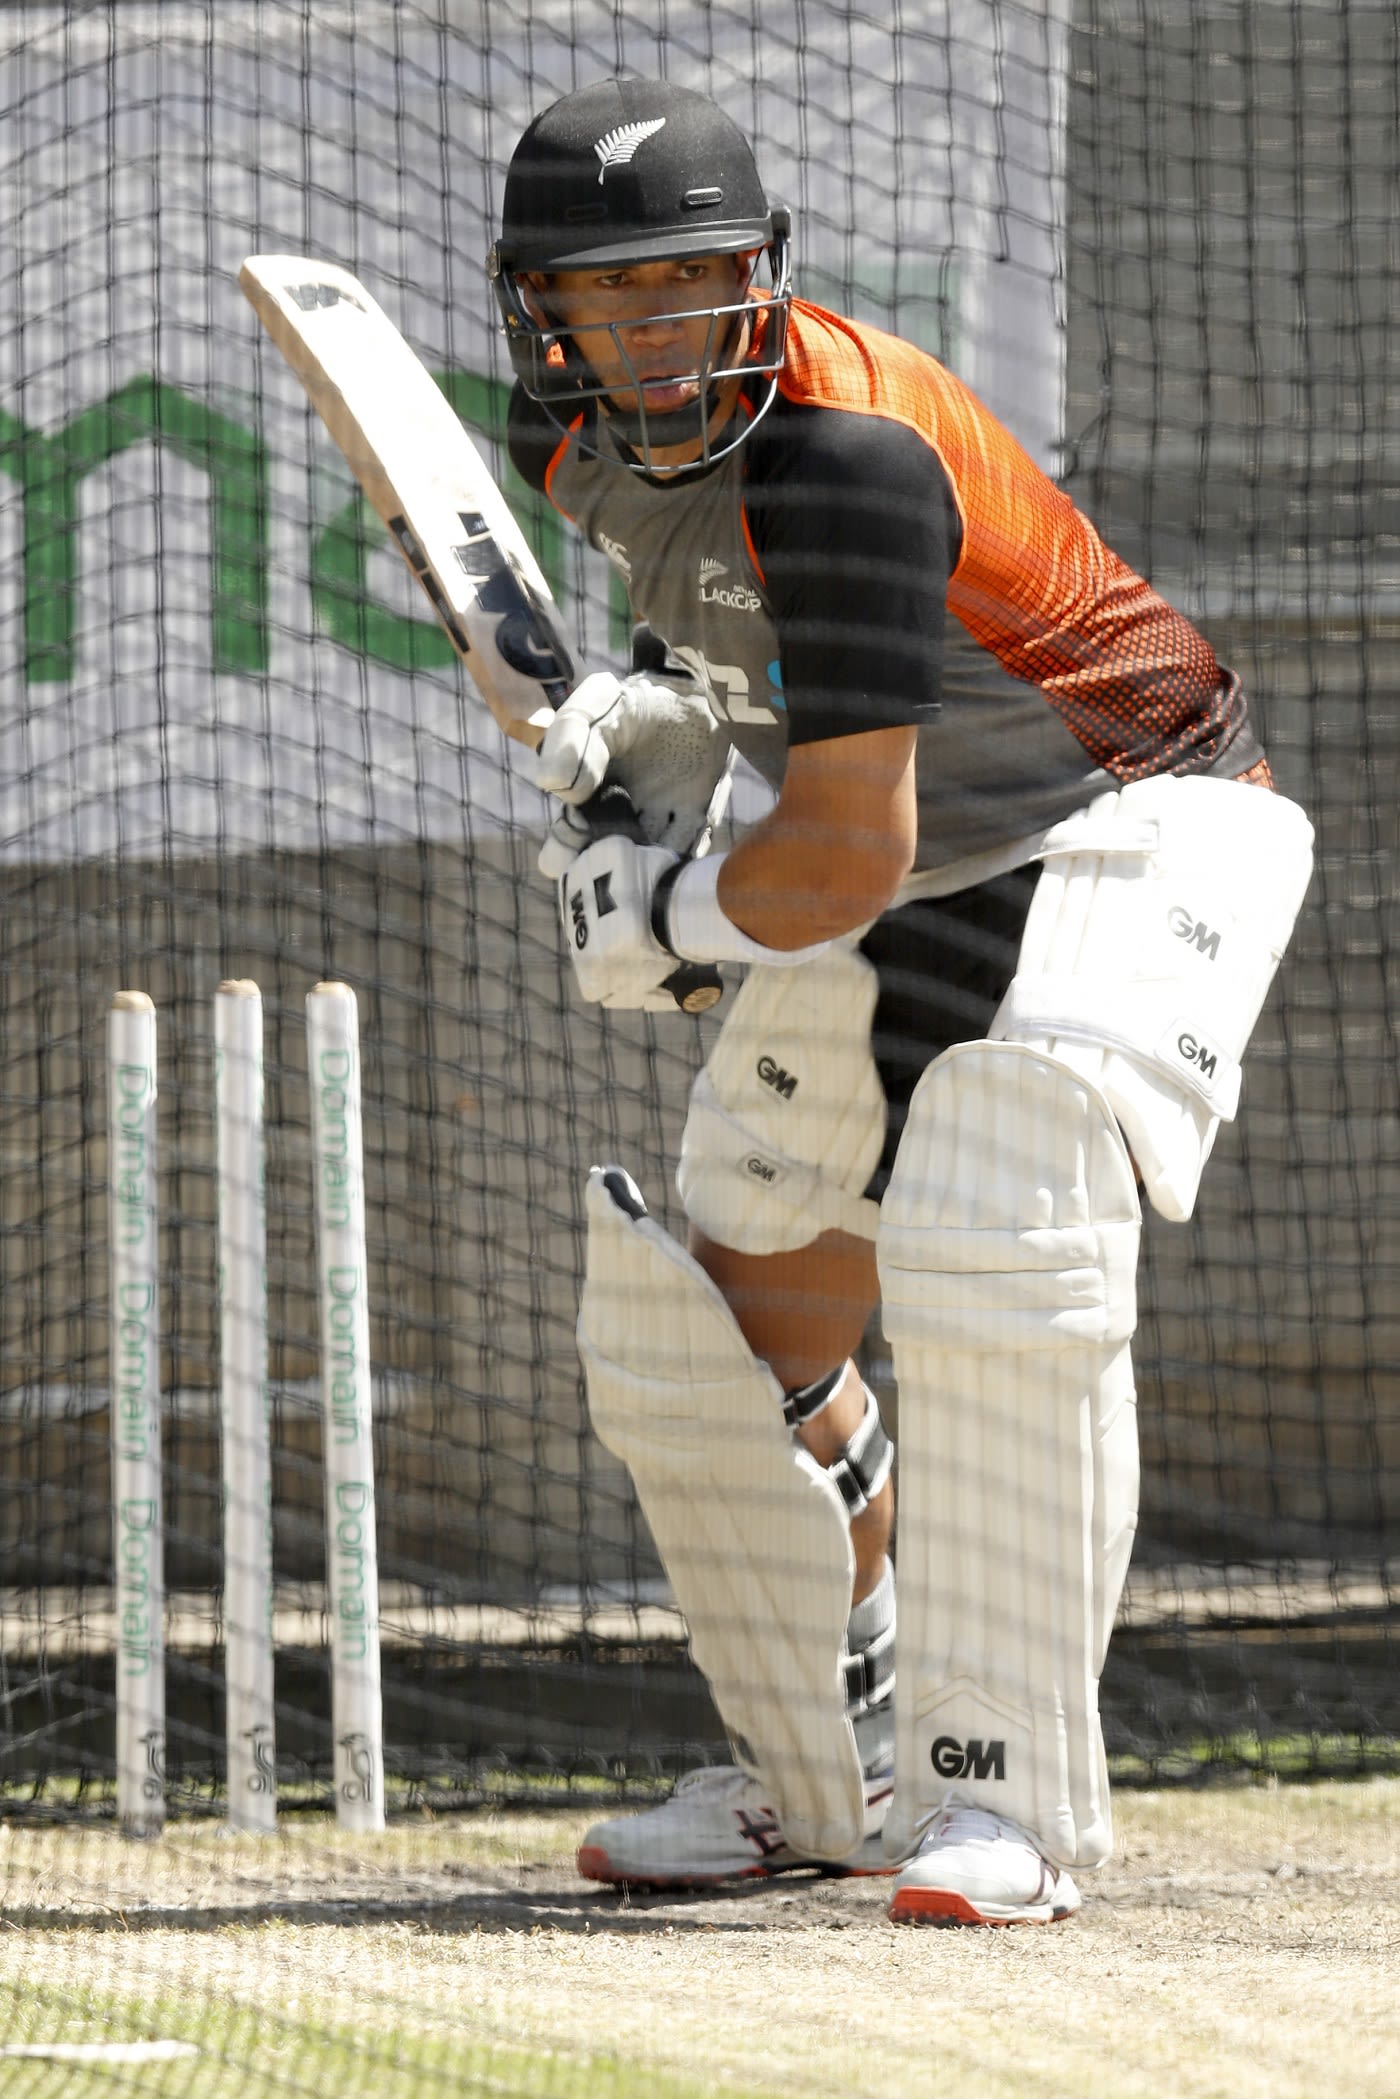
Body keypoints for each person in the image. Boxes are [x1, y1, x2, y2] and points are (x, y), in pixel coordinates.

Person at [487, 75, 1313, 1926]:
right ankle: (816, 1781)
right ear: (542, 311)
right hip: (937, 848)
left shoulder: (845, 454)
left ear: (762, 274)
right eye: (613, 296)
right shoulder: (566, 435)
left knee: (994, 1222)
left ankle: (1003, 1807)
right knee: (702, 1329)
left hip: (1134, 818)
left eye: (693, 283)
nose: (658, 330)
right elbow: (749, 656)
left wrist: (677, 916)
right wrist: (657, 721)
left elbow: (843, 846)